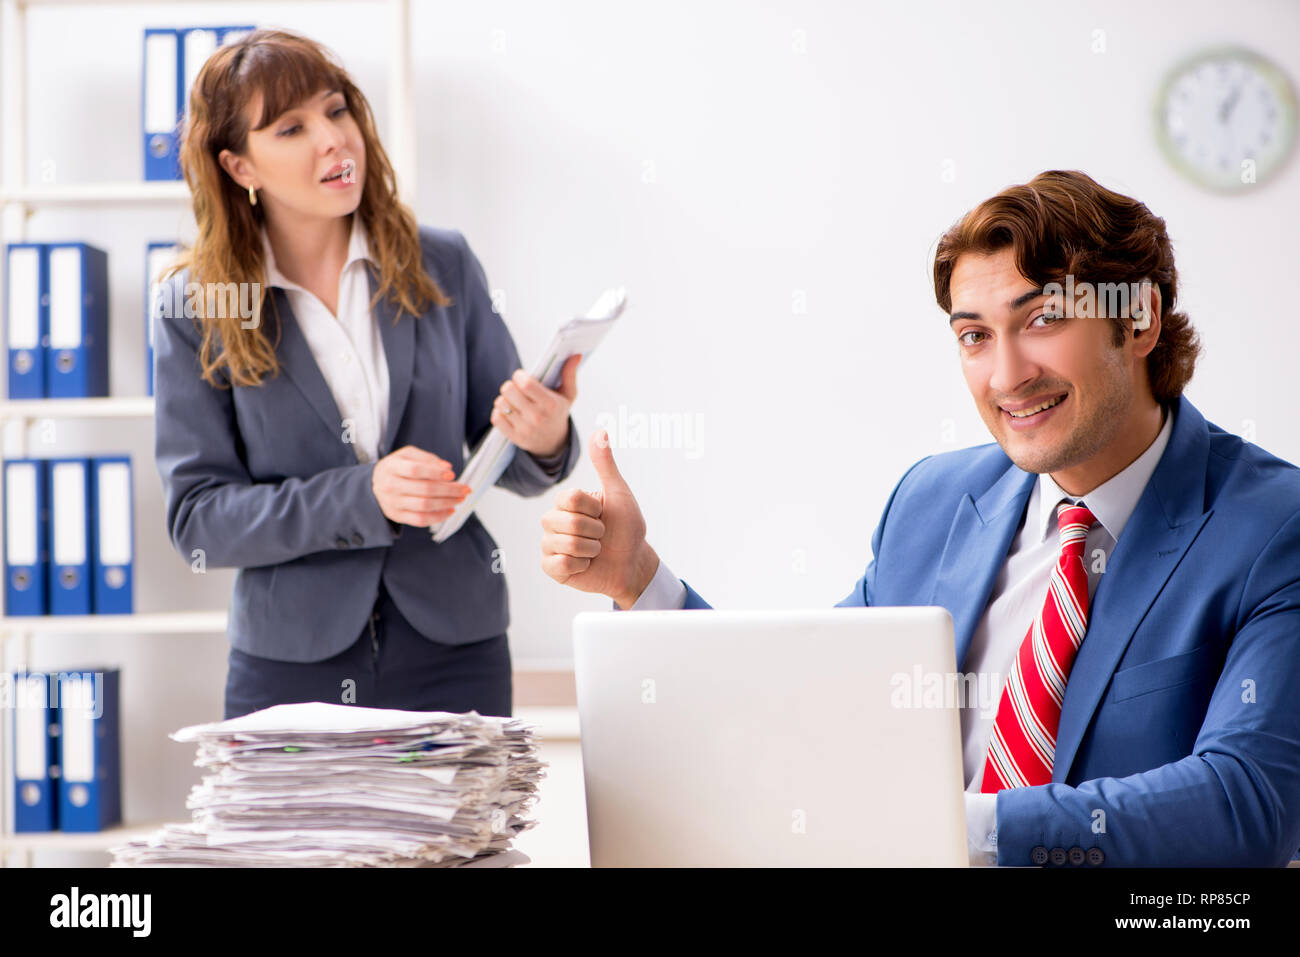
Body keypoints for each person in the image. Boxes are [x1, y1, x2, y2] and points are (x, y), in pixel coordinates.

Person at [539, 170, 1300, 867]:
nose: (1007, 376)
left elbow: (1247, 802)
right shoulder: (933, 502)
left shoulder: (1271, 526)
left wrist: (951, 829)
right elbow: (804, 708)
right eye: (975, 336)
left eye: (1040, 320)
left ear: (1138, 323)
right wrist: (640, 580)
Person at [154, 29, 581, 720]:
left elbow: (507, 458)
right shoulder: (193, 305)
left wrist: (544, 437)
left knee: (464, 835)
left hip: (456, 649)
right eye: (291, 128)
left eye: (337, 110)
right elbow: (200, 521)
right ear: (240, 168)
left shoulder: (441, 263)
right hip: (290, 665)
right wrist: (363, 495)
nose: (333, 139)